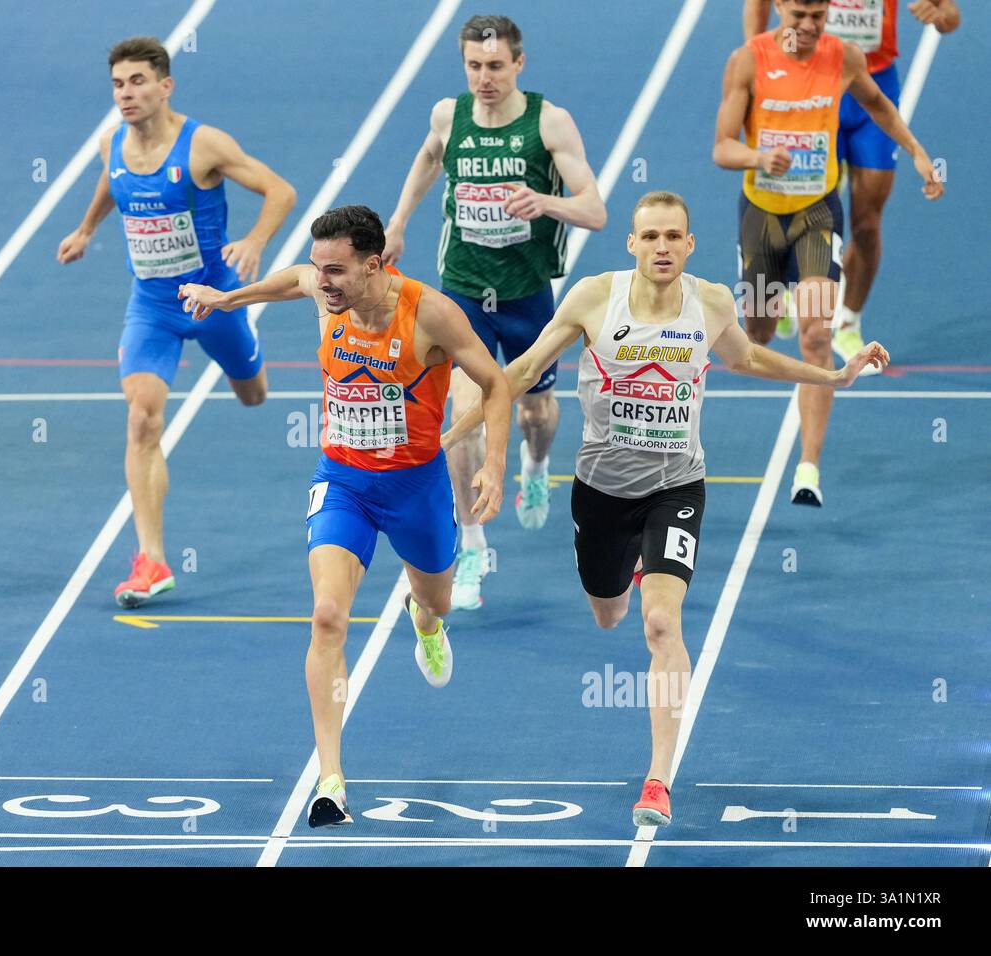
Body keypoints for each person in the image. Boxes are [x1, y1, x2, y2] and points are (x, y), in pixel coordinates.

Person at [444, 191, 890, 827]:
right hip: (600, 489)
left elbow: (752, 356)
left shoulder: (708, 303)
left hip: (676, 487)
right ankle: (627, 573)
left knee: (659, 625)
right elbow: (518, 374)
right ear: (632, 244)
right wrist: (460, 435)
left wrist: (834, 377)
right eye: (649, 236)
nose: (661, 247)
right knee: (608, 615)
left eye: (672, 237)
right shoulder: (595, 298)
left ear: (689, 245)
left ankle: (657, 780)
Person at [180, 206, 511, 827]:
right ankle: (331, 777)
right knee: (328, 616)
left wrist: (491, 464)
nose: (322, 280)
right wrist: (229, 300)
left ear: (373, 266)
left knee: (436, 600)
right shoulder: (325, 292)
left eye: (335, 271)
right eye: (320, 268)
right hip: (343, 482)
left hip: (415, 486)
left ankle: (426, 619)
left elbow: (495, 383)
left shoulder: (429, 313)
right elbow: (289, 281)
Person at [57, 36, 296, 606]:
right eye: (118, 84)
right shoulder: (110, 145)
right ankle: (152, 560)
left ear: (166, 85)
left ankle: (249, 361)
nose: (126, 93)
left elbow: (280, 190)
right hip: (153, 307)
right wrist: (87, 228)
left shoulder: (203, 145)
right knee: (142, 420)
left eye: (138, 81)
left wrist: (256, 242)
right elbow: (112, 184)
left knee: (253, 395)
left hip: (215, 300)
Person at [382, 14, 605, 611]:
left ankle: (536, 465)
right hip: (460, 292)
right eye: (474, 67)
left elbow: (597, 211)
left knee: (535, 413)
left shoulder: (548, 122)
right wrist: (400, 220)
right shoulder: (447, 116)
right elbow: (429, 159)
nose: (484, 78)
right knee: (462, 422)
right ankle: (472, 542)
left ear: (519, 64)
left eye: (496, 67)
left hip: (528, 295)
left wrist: (546, 201)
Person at [715, 0, 942, 505]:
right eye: (798, 15)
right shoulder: (748, 60)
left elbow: (880, 105)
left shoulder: (843, 57)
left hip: (817, 216)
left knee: (816, 335)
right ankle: (770, 300)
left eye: (818, 14)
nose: (810, 25)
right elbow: (721, 147)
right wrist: (757, 156)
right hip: (761, 219)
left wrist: (918, 152)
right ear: (778, 7)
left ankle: (808, 467)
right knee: (759, 333)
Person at [743, 0, 960, 363]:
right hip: (808, 82)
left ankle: (848, 322)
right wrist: (760, 62)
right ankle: (783, 280)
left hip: (872, 85)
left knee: (867, 224)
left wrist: (940, 17)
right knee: (797, 198)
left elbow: (950, 16)